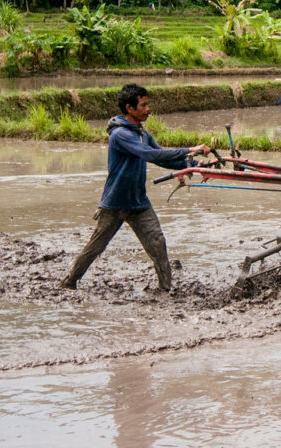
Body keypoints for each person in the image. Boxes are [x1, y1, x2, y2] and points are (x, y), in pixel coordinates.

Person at [63, 83, 211, 292]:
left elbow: (163, 158)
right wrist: (190, 150)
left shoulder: (142, 133)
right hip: (115, 203)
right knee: (96, 246)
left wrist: (194, 166)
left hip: (138, 202)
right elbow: (149, 155)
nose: (148, 109)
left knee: (157, 242)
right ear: (129, 109)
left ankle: (165, 288)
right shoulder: (120, 135)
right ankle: (70, 281)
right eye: (143, 105)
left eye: (148, 104)